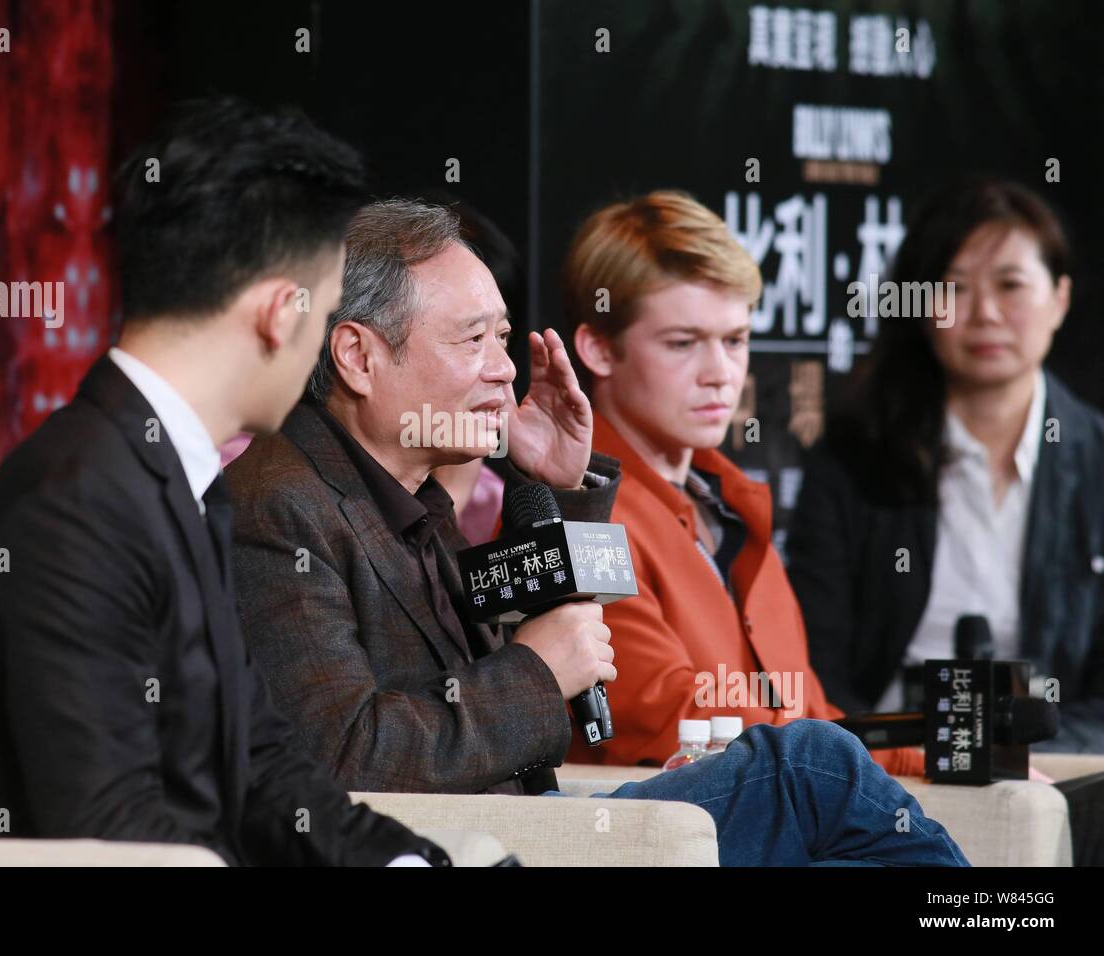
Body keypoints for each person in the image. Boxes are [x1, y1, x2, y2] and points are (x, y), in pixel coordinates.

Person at [224, 197, 967, 865]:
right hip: (465, 848)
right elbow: (342, 758)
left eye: (504, 338)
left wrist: (556, 489)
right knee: (807, 767)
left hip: (542, 822)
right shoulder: (279, 504)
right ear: (358, 356)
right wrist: (536, 671)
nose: (502, 372)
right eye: (472, 340)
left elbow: (562, 681)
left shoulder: (411, 495)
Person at [0, 97, 449, 866]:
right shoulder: (76, 504)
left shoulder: (170, 473)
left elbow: (260, 760)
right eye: (324, 315)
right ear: (275, 315)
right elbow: (110, 831)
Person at [562, 190, 923, 777]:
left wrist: (935, 755)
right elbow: (679, 722)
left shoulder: (729, 502)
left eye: (735, 340)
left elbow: (804, 715)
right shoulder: (582, 510)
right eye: (683, 343)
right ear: (599, 349)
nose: (720, 374)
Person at [786, 177, 1104, 752]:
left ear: (1059, 299)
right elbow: (814, 658)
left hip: (1057, 778)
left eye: (1010, 285)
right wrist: (885, 761)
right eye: (954, 288)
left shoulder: (1096, 461)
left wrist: (1013, 758)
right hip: (881, 771)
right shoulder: (855, 457)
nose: (984, 313)